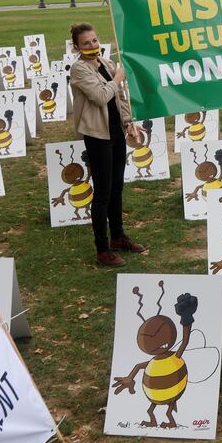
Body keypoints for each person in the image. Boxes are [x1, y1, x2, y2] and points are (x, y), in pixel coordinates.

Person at [69, 23, 147, 266]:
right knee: (102, 193)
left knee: (117, 188)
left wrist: (128, 121)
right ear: (77, 47)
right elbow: (101, 96)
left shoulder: (106, 63)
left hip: (116, 131)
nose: (92, 45)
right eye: (86, 43)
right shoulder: (79, 69)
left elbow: (120, 97)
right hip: (97, 135)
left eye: (94, 40)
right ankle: (102, 249)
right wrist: (118, 79)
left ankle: (118, 237)